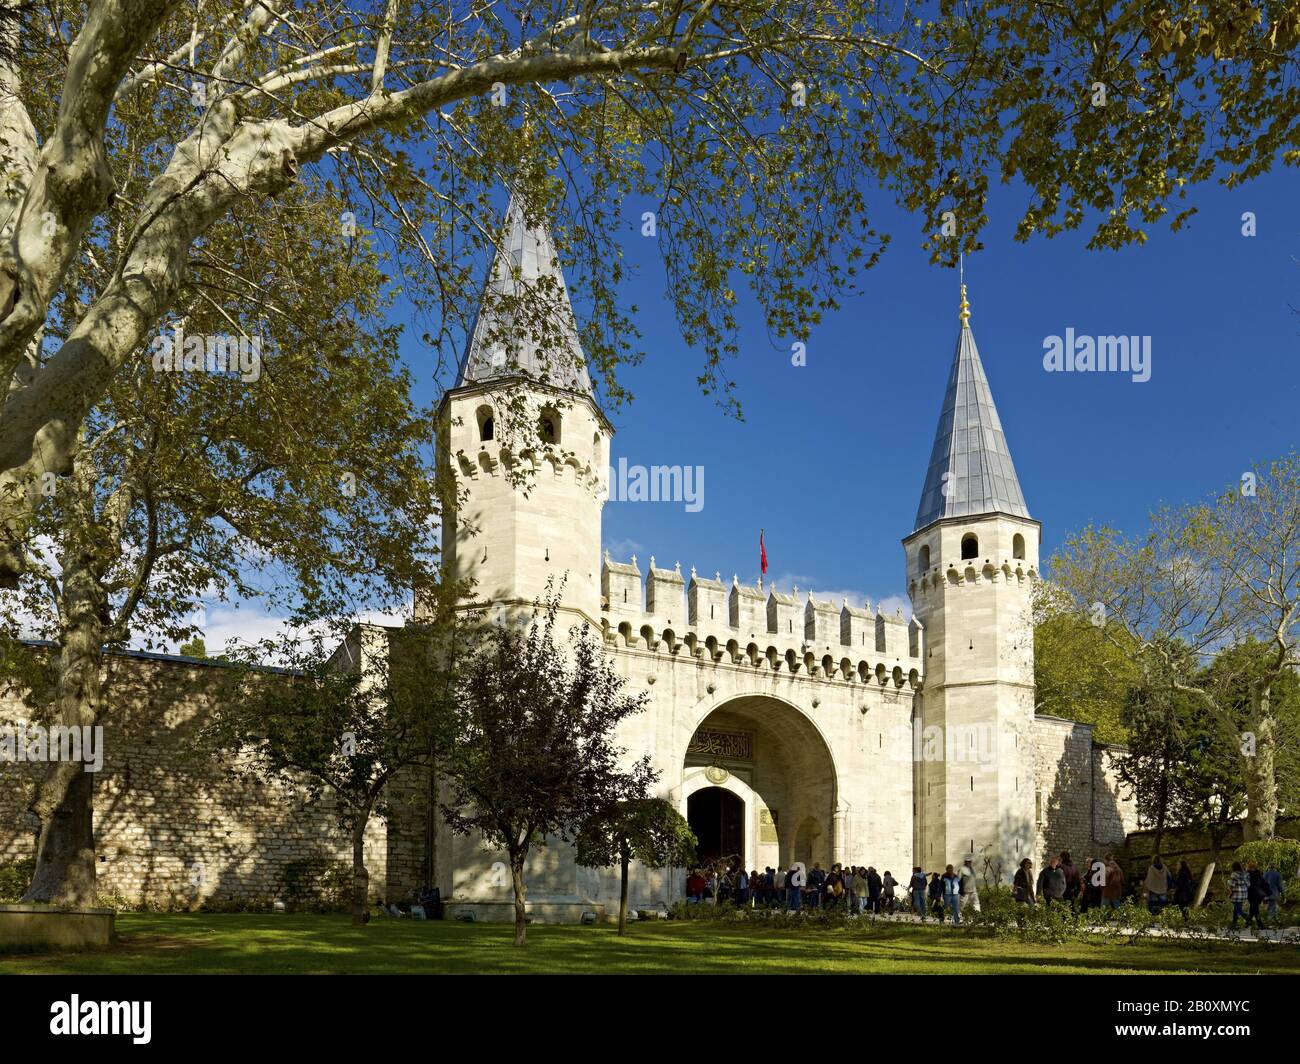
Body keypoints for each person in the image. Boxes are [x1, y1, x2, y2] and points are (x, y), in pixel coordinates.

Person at [1246, 861, 1269, 933]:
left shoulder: (1247, 874)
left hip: (1251, 894)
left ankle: (1258, 924)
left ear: (1249, 867)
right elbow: (1264, 884)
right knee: (1253, 908)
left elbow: (1245, 884)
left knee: (1254, 909)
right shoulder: (1259, 874)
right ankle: (1250, 923)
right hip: (1258, 894)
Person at [1229, 861, 1250, 929]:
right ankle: (1233, 924)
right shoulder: (1245, 874)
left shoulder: (1234, 874)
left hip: (1236, 894)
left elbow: (1232, 885)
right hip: (1244, 894)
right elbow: (1248, 884)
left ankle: (1249, 919)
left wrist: (1228, 883)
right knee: (1235, 909)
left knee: (1238, 910)